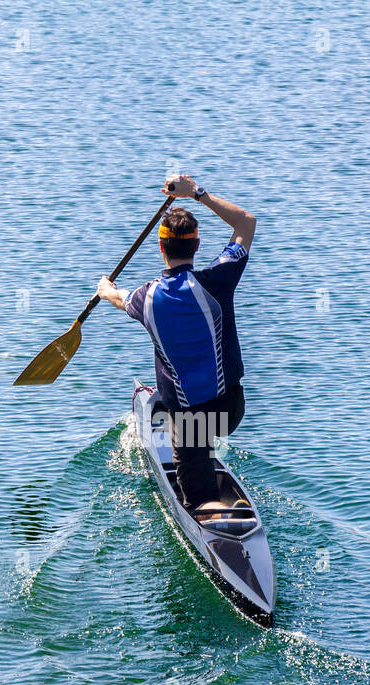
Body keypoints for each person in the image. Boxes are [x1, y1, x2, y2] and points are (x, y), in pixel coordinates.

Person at [96, 176, 256, 519]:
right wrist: (196, 193)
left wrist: (104, 288)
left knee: (193, 497)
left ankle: (209, 504)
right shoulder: (219, 278)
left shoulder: (145, 298)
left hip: (192, 420)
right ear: (197, 245)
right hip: (232, 409)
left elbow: (118, 297)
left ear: (161, 248)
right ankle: (214, 479)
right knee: (203, 429)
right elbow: (246, 222)